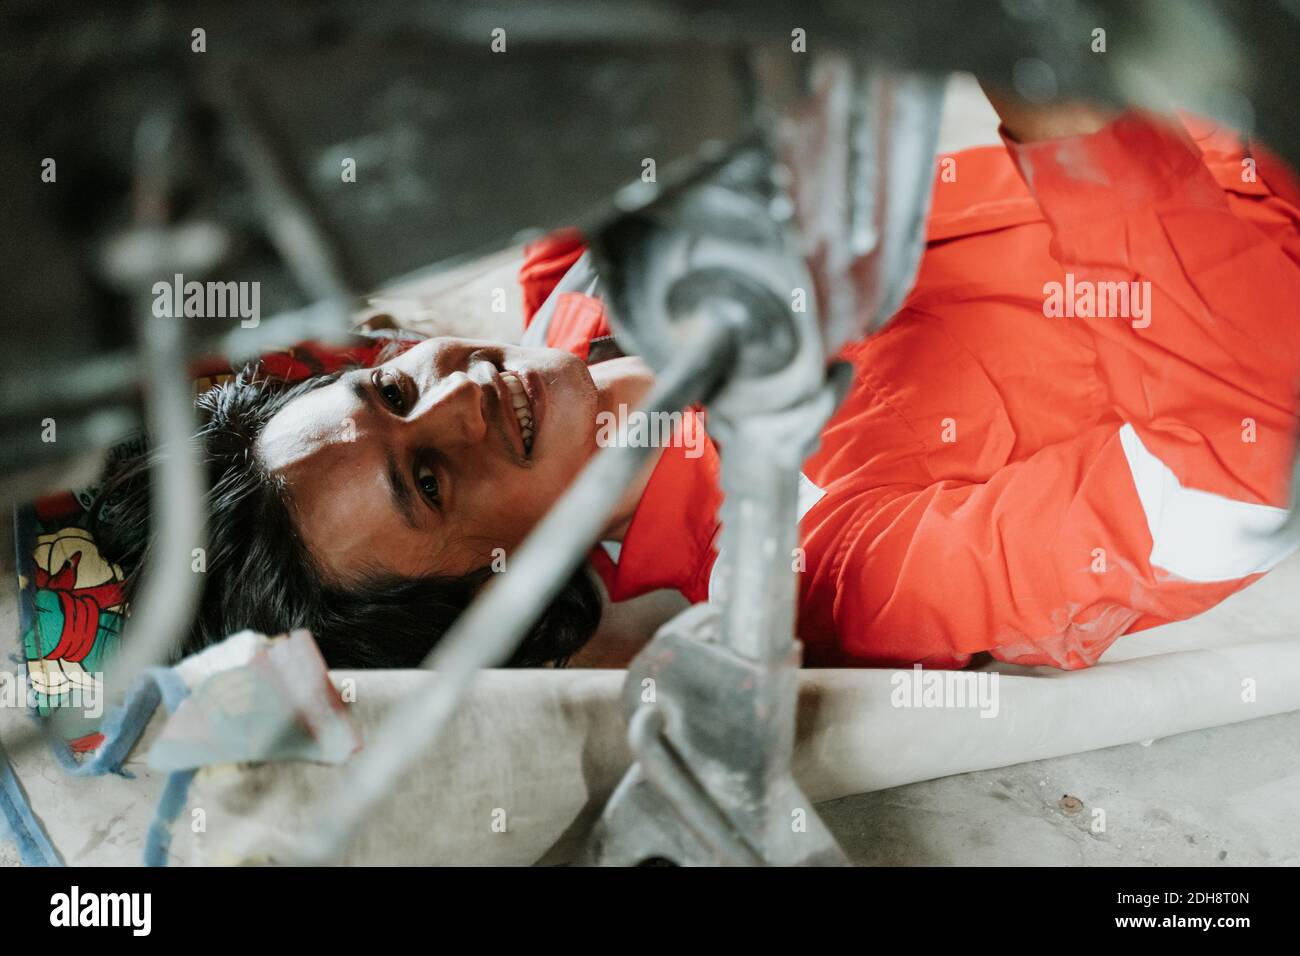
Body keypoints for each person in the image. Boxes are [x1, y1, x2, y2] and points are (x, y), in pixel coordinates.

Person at [96, 91, 1300, 671]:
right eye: (427, 479)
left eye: (393, 392)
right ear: (498, 597)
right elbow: (1229, 485)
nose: (454, 401)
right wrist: (1063, 108)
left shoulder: (574, 275)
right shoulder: (825, 559)